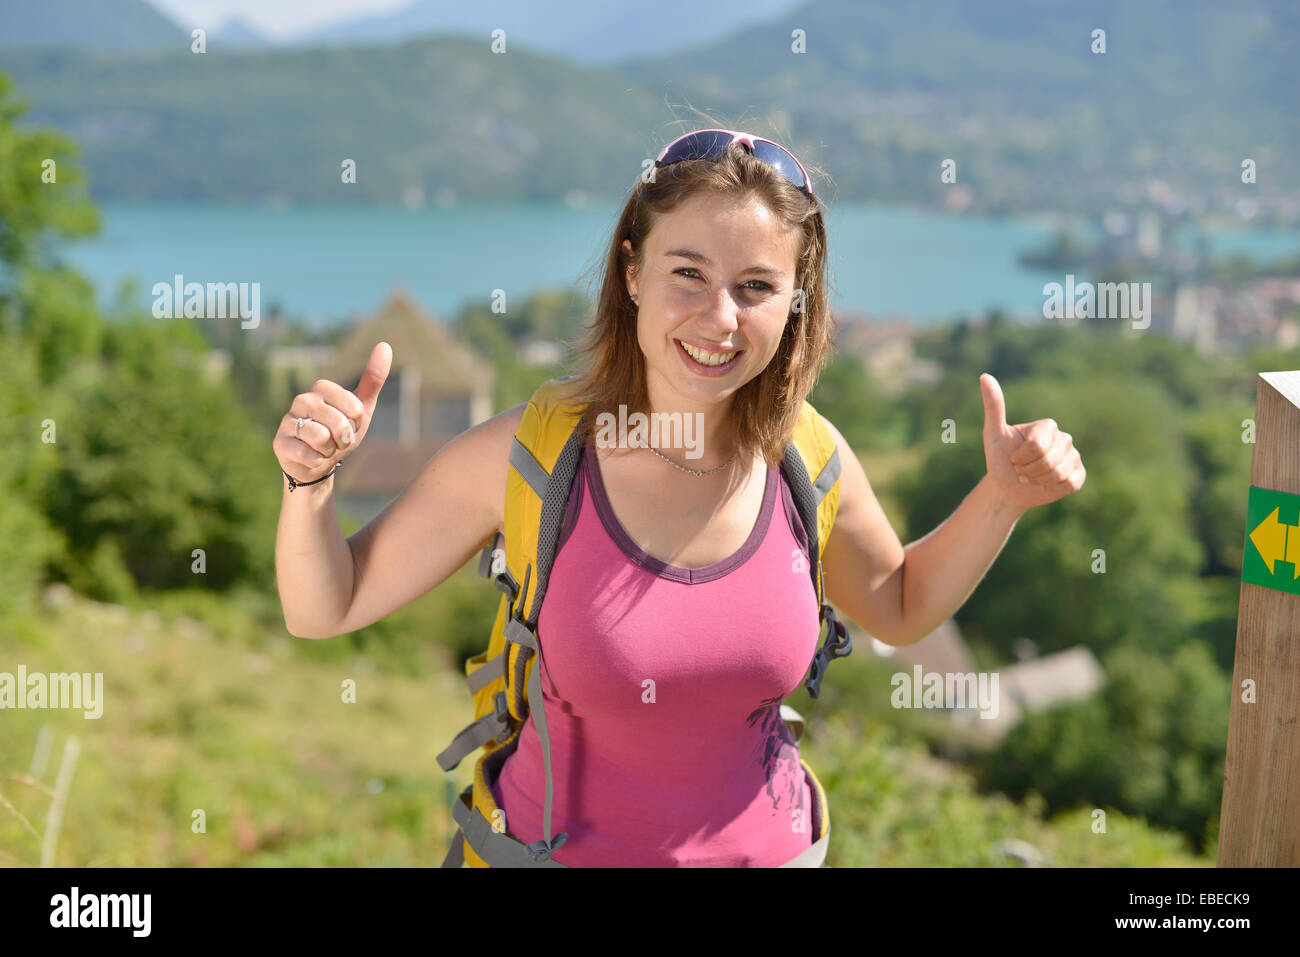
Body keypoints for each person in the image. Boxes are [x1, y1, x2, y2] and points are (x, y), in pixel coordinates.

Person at [272, 128, 1086, 867]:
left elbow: (901, 604)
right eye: (688, 273)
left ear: (795, 302)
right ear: (632, 271)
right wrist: (309, 485)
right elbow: (324, 606)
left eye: (757, 286)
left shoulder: (808, 455)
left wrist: (1003, 496)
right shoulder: (534, 455)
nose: (719, 318)